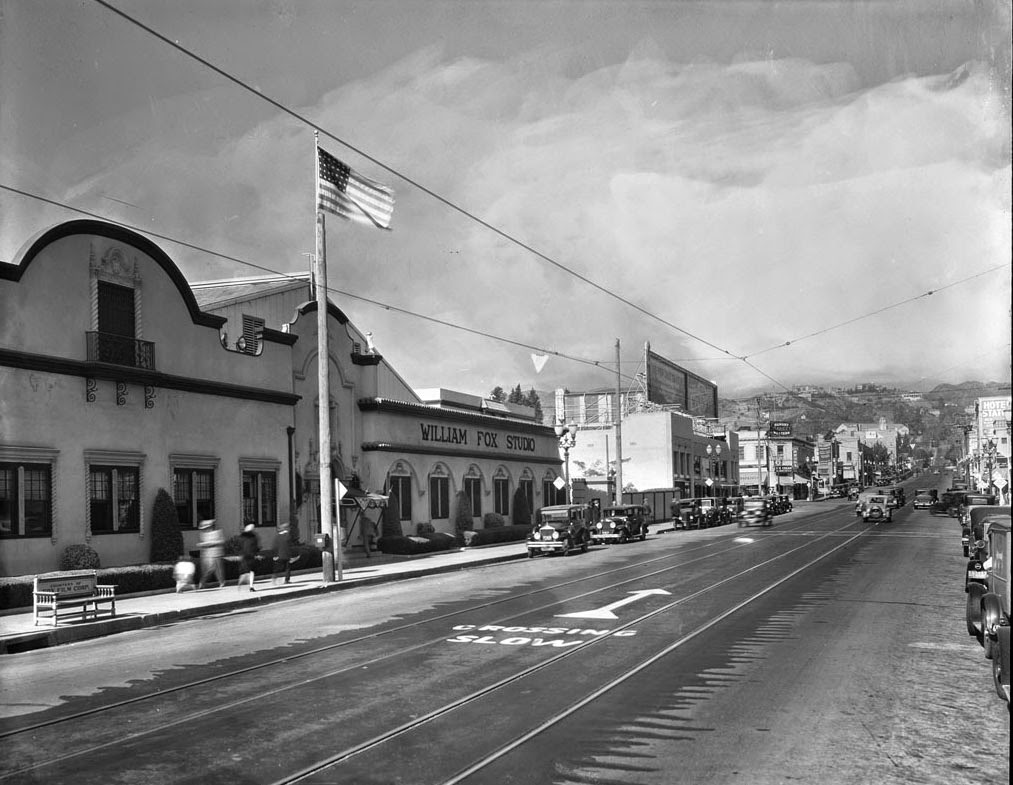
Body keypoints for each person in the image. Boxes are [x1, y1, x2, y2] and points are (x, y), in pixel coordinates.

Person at [197, 519, 226, 589]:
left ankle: (221, 582)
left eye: (206, 528)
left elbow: (222, 541)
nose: (205, 529)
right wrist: (203, 544)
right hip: (207, 554)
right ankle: (203, 582)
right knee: (209, 569)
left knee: (217, 569)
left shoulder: (218, 532)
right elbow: (201, 543)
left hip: (216, 553)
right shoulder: (203, 534)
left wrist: (211, 543)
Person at [238, 523, 261, 592]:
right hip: (252, 555)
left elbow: (239, 546)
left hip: (244, 555)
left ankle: (242, 581)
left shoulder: (241, 537)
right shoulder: (254, 537)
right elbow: (256, 547)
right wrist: (257, 553)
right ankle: (251, 586)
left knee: (246, 570)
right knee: (252, 571)